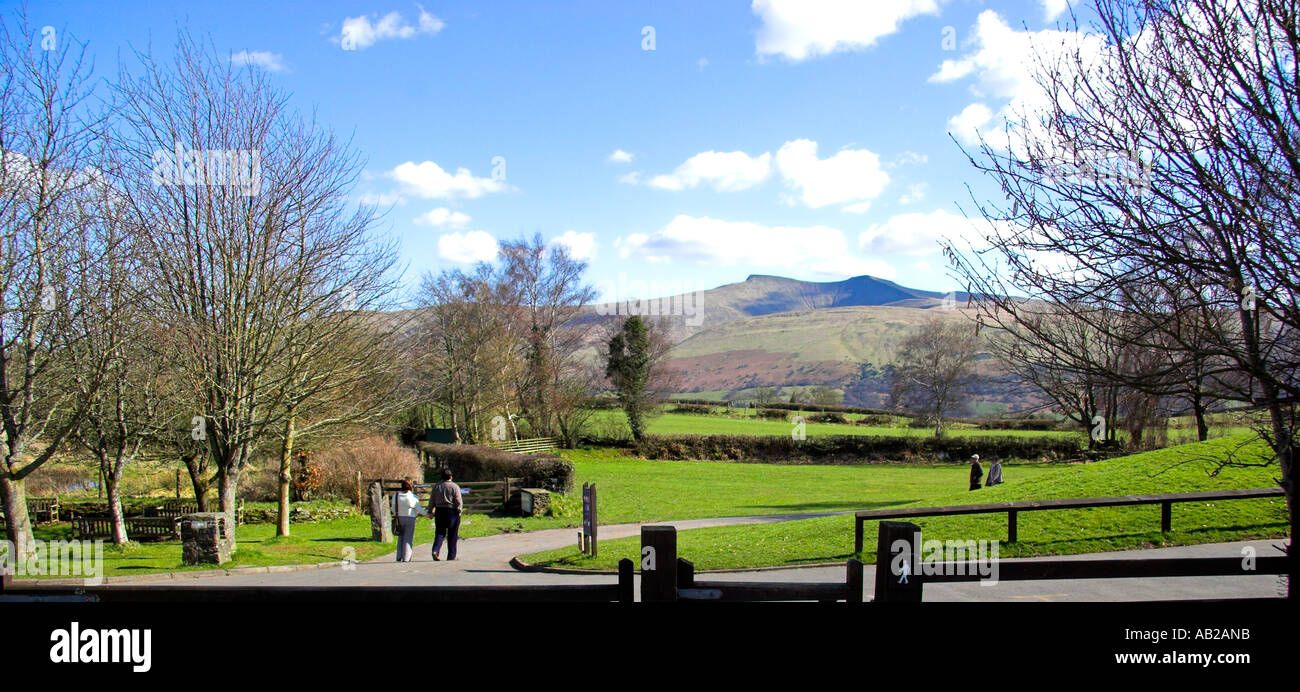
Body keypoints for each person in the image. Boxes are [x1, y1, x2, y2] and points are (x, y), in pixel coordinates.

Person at [427, 468, 463, 561]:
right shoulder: (454, 486)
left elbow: (432, 500)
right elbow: (458, 500)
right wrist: (459, 509)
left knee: (439, 532)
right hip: (451, 511)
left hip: (439, 511)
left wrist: (430, 511)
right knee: (452, 534)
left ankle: (435, 550)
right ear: (451, 476)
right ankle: (451, 555)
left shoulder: (437, 486)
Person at [391, 479, 428, 562]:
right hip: (410, 518)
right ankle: (406, 557)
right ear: (411, 486)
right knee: (408, 538)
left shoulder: (396, 496)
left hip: (399, 518)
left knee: (400, 537)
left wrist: (396, 514)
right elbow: (419, 509)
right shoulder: (413, 497)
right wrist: (427, 514)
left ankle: (399, 556)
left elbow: (393, 508)